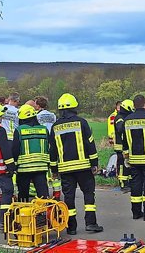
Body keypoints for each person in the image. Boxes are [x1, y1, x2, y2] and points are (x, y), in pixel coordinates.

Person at [49, 93, 103, 234]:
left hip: (65, 169)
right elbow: (90, 144)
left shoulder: (55, 127)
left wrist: (54, 169)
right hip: (84, 167)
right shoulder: (82, 122)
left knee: (69, 197)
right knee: (88, 194)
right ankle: (91, 223)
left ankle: (71, 227)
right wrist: (94, 163)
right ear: (74, 107)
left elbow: (52, 150)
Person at [13, 104, 51, 201]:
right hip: (41, 167)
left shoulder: (19, 130)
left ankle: (23, 211)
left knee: (23, 193)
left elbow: (15, 149)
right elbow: (49, 147)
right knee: (42, 192)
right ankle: (44, 211)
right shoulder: (44, 129)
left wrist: (14, 165)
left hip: (24, 168)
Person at [113, 99, 135, 192]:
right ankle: (123, 184)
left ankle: (128, 183)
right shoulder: (119, 117)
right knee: (122, 165)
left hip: (126, 146)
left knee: (127, 165)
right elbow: (120, 128)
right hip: (120, 146)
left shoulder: (125, 117)